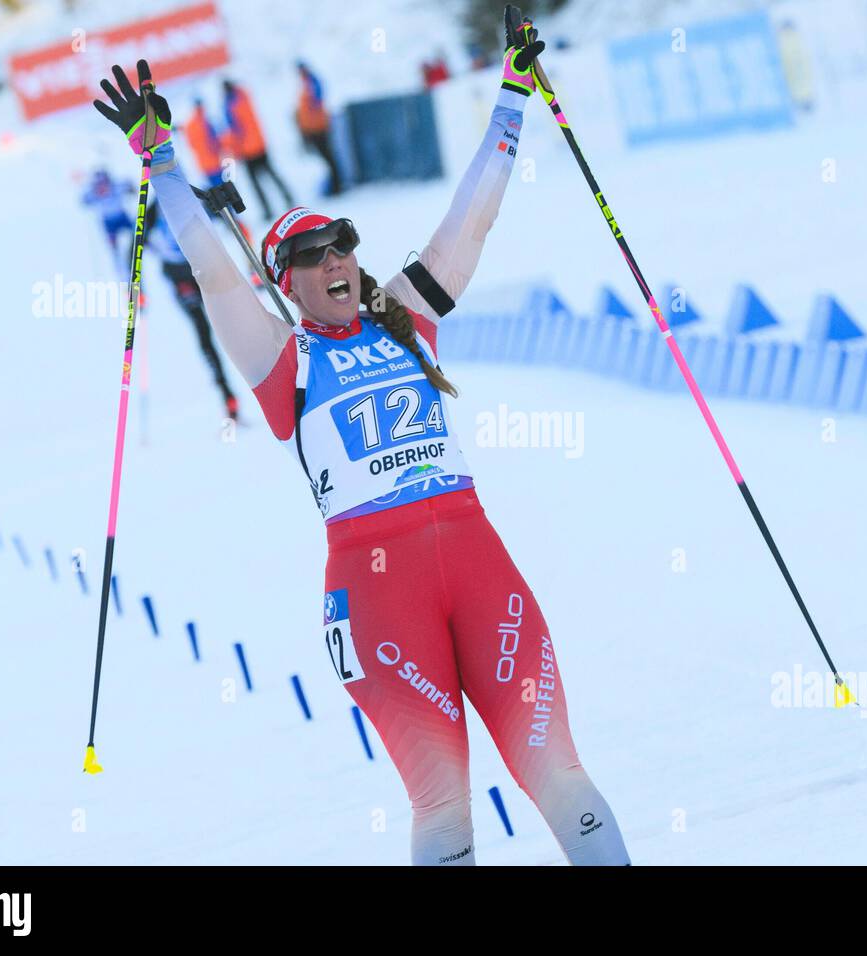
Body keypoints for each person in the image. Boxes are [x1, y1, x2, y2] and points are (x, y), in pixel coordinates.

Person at [93, 19, 630, 867]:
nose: (338, 257)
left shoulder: (407, 320)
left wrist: (513, 95)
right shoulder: (281, 358)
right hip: (379, 594)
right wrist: (159, 158)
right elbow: (213, 264)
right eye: (313, 253)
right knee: (445, 805)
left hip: (477, 557)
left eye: (343, 241)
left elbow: (471, 222)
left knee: (556, 769)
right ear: (287, 282)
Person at [144, 197, 240, 421]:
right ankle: (227, 394)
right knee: (203, 329)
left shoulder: (189, 196)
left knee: (232, 321)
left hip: (204, 266)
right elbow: (135, 246)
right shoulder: (152, 210)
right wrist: (136, 288)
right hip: (179, 275)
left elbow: (226, 217)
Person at [221, 78, 294, 218]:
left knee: (256, 185)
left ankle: (267, 209)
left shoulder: (230, 106)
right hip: (260, 146)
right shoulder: (244, 97)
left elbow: (235, 132)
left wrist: (235, 151)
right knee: (273, 175)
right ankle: (288, 197)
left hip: (247, 152)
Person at [294, 61, 344, 196]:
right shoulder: (307, 83)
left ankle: (337, 185)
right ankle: (335, 184)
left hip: (318, 127)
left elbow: (315, 103)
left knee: (328, 157)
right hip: (313, 127)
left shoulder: (312, 82)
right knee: (326, 157)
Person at [80, 167, 135, 269]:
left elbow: (128, 185)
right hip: (108, 222)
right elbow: (84, 200)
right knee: (113, 243)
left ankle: (145, 244)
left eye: (104, 183)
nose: (102, 188)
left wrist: (131, 189)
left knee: (136, 232)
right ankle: (118, 261)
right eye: (99, 185)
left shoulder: (116, 187)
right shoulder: (94, 194)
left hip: (122, 217)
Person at [183, 98, 226, 187]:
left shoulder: (189, 125)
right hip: (215, 163)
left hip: (204, 165)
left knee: (216, 193)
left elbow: (191, 145)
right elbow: (216, 143)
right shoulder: (205, 122)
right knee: (225, 191)